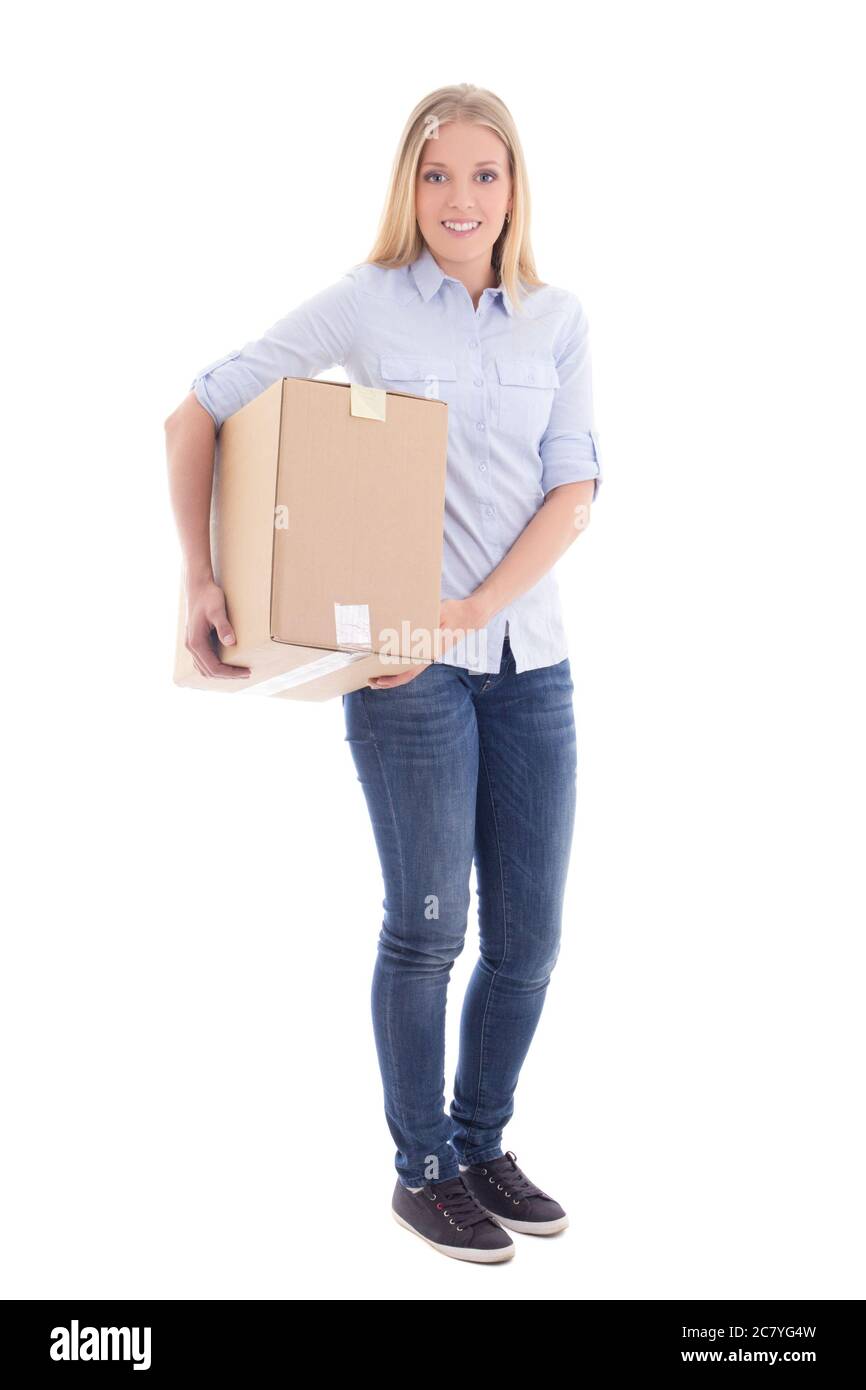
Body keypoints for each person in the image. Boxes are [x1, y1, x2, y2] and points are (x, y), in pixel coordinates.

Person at [165, 83, 603, 1265]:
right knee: (426, 929)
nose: (460, 199)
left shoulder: (553, 321)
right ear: (407, 190)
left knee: (527, 939)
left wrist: (469, 607)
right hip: (404, 678)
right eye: (436, 175)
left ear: (513, 189)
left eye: (483, 174)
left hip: (530, 663)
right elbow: (197, 412)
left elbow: (575, 491)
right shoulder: (367, 305)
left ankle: (479, 1140)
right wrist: (204, 580)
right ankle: (419, 1168)